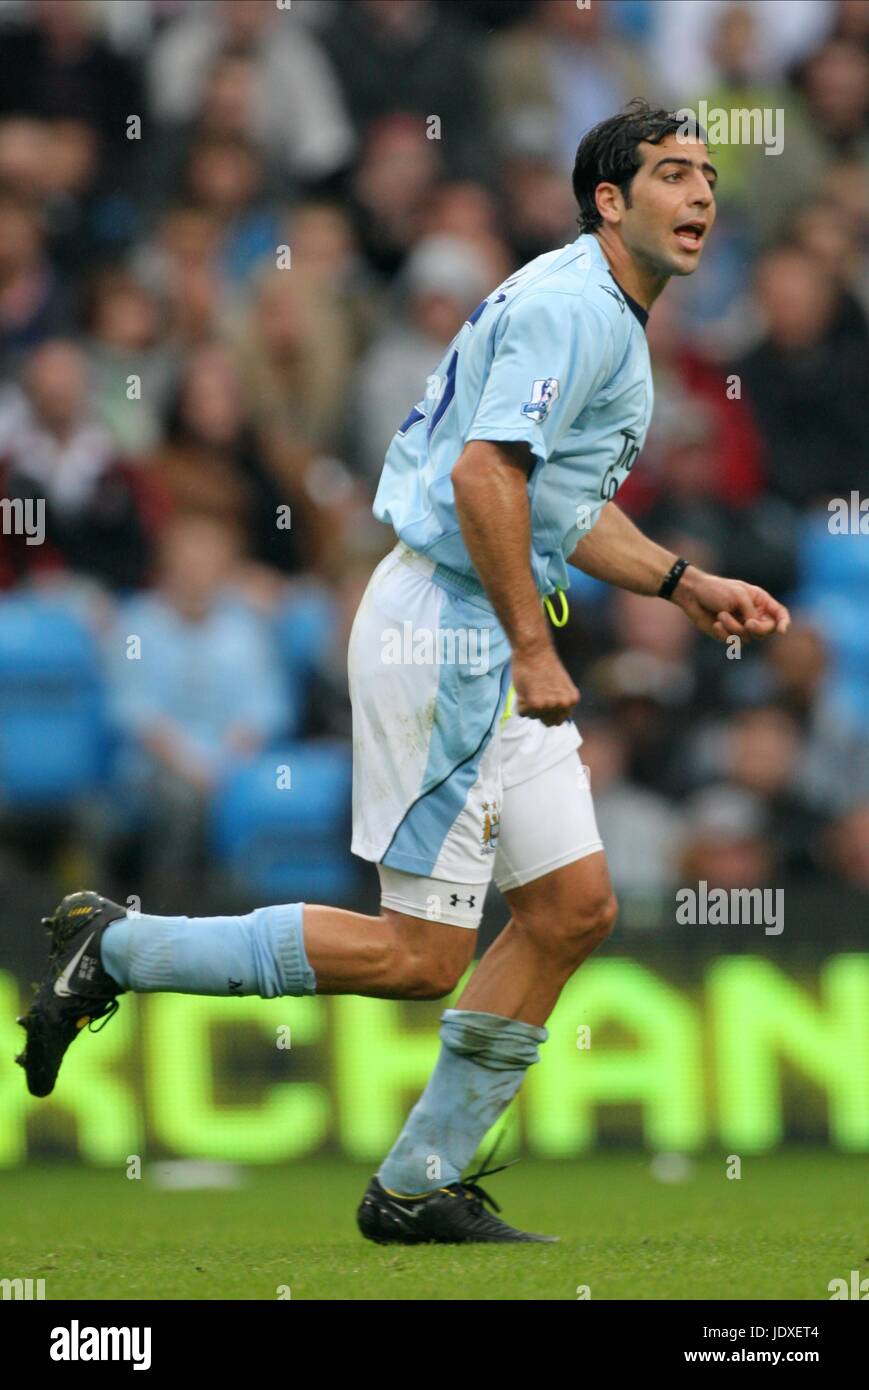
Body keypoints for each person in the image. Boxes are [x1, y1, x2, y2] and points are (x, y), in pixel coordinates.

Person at [16, 101, 790, 1244]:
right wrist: (531, 647)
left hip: (490, 622)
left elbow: (554, 503)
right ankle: (121, 946)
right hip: (450, 631)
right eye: (671, 174)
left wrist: (680, 582)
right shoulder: (574, 308)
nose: (701, 195)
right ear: (609, 200)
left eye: (710, 176)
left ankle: (418, 1183)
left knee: (571, 908)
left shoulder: (602, 312)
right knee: (418, 954)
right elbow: (485, 482)